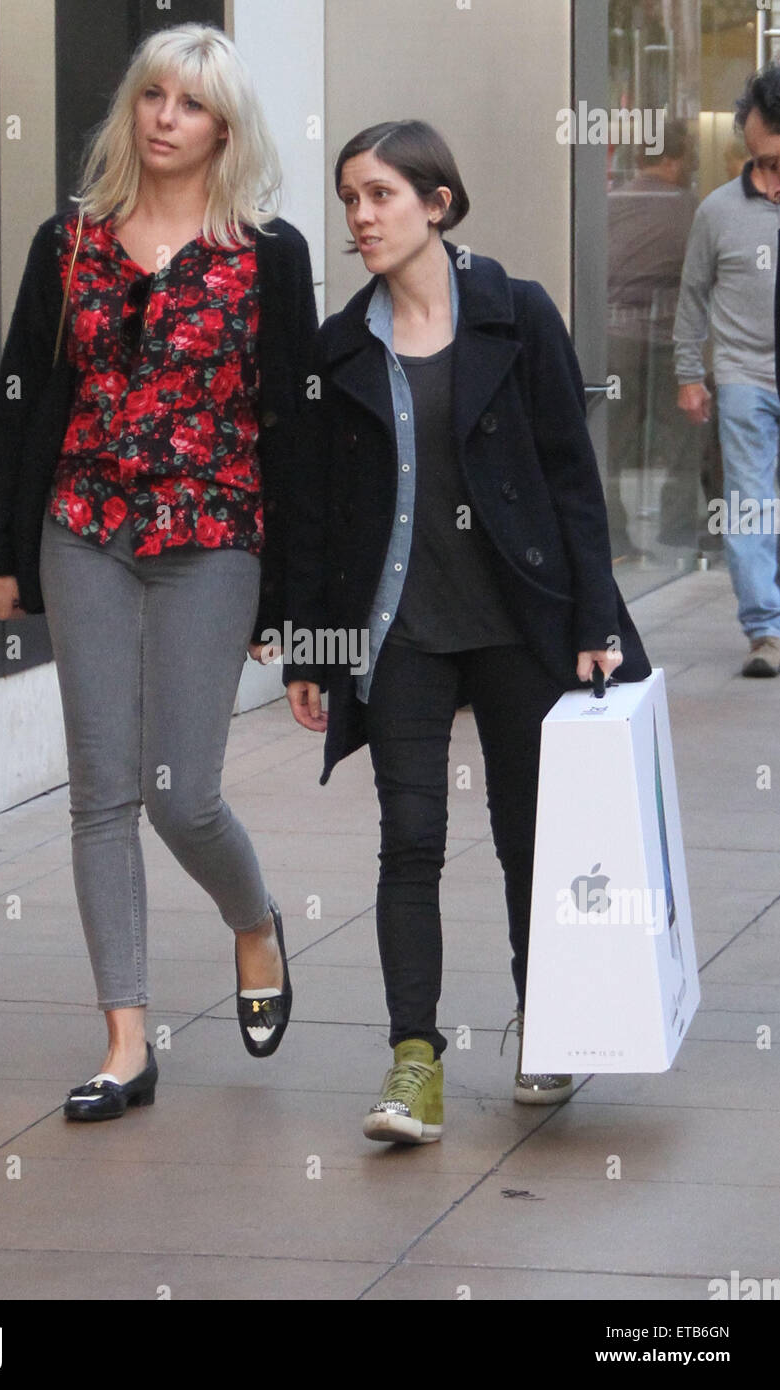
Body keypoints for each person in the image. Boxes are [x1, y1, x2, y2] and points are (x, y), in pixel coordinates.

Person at [0, 24, 316, 1120]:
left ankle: (253, 920)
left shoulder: (268, 253)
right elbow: (22, 394)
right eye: (151, 95)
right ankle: (126, 1040)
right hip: (85, 529)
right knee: (102, 791)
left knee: (180, 794)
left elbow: (291, 428)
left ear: (223, 126)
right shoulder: (69, 243)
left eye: (189, 104)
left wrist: (295, 597)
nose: (164, 118)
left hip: (213, 537)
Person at [283, 120, 651, 1144]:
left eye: (379, 195)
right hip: (399, 628)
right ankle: (413, 1064)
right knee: (409, 840)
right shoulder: (340, 343)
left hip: (515, 622)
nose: (358, 215)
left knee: (528, 837)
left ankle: (547, 1022)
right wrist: (312, 644)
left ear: (436, 203)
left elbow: (570, 483)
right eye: (348, 197)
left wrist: (590, 618)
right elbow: (313, 512)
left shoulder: (515, 315)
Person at [674, 63, 780, 677]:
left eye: (776, 158)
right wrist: (691, 373)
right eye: (756, 157)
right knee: (750, 503)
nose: (764, 172)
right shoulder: (717, 211)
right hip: (743, 375)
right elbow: (692, 297)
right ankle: (764, 630)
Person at [605, 121, 702, 556]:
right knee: (685, 433)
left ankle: (613, 535)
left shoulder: (610, 203)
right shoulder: (687, 209)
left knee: (610, 443)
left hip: (610, 337)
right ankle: (677, 529)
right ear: (674, 160)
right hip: (663, 341)